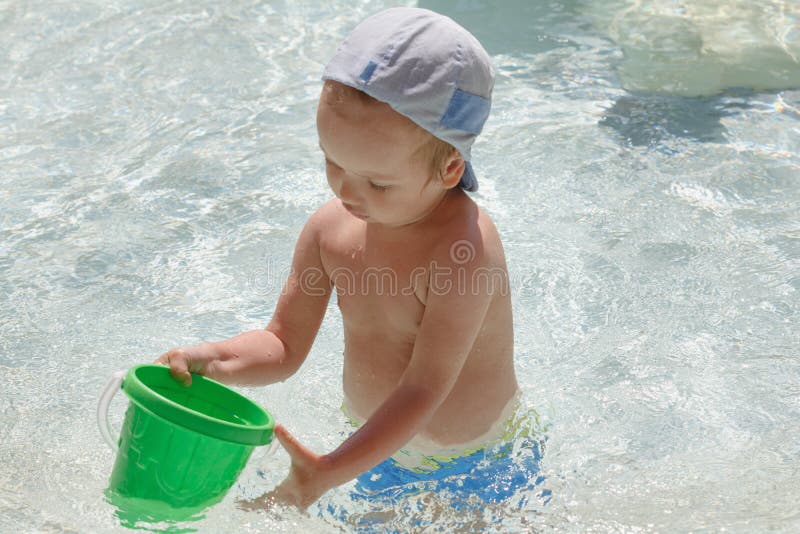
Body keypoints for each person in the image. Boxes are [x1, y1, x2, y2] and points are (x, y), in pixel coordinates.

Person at [156, 7, 519, 510]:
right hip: (368, 449)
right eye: (333, 162)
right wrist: (212, 361)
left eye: (378, 183)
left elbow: (423, 388)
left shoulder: (463, 255)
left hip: (475, 461)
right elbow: (283, 343)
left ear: (450, 169)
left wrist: (330, 471)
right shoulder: (330, 231)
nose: (347, 192)